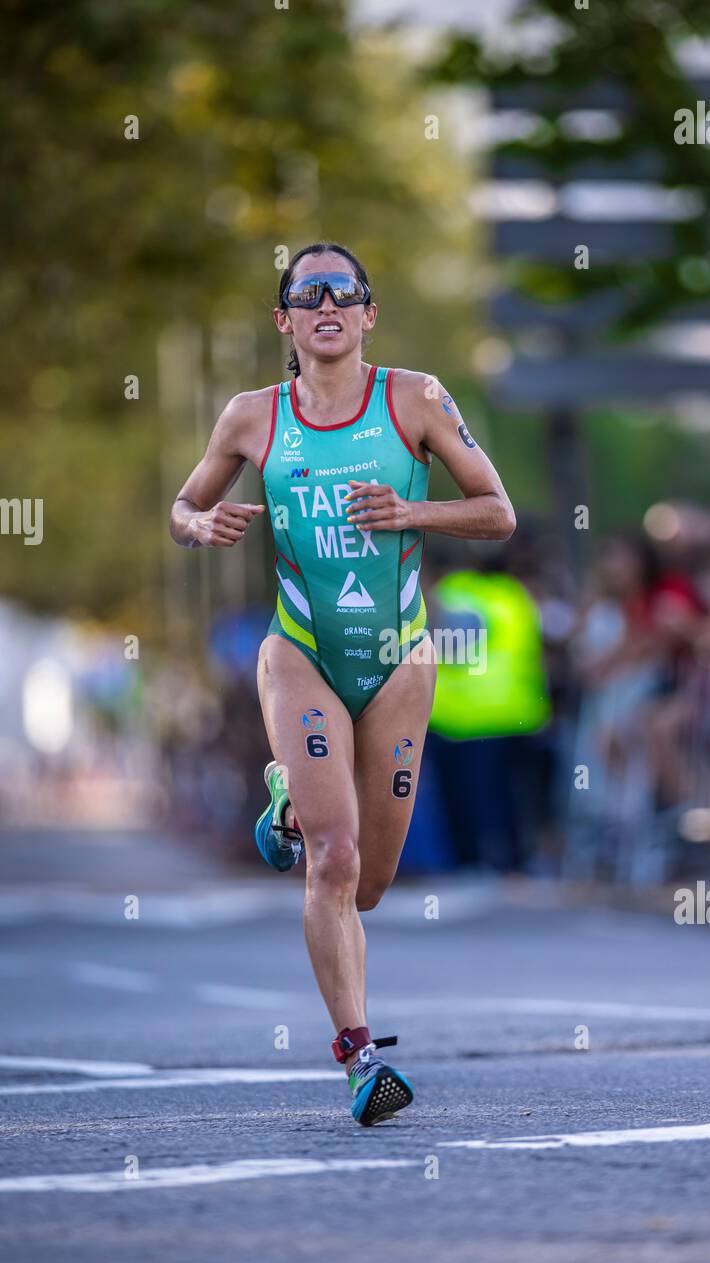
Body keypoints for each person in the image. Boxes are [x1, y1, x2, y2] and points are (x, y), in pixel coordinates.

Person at [169, 241, 515, 1125]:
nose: (327, 304)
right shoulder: (253, 416)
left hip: (400, 661)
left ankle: (286, 793)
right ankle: (362, 1058)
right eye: (305, 293)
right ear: (284, 320)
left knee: (371, 884)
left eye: (343, 291)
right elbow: (183, 508)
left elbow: (498, 512)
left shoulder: (416, 398)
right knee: (334, 859)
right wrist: (201, 526)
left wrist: (415, 511)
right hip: (301, 654)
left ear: (368, 313)